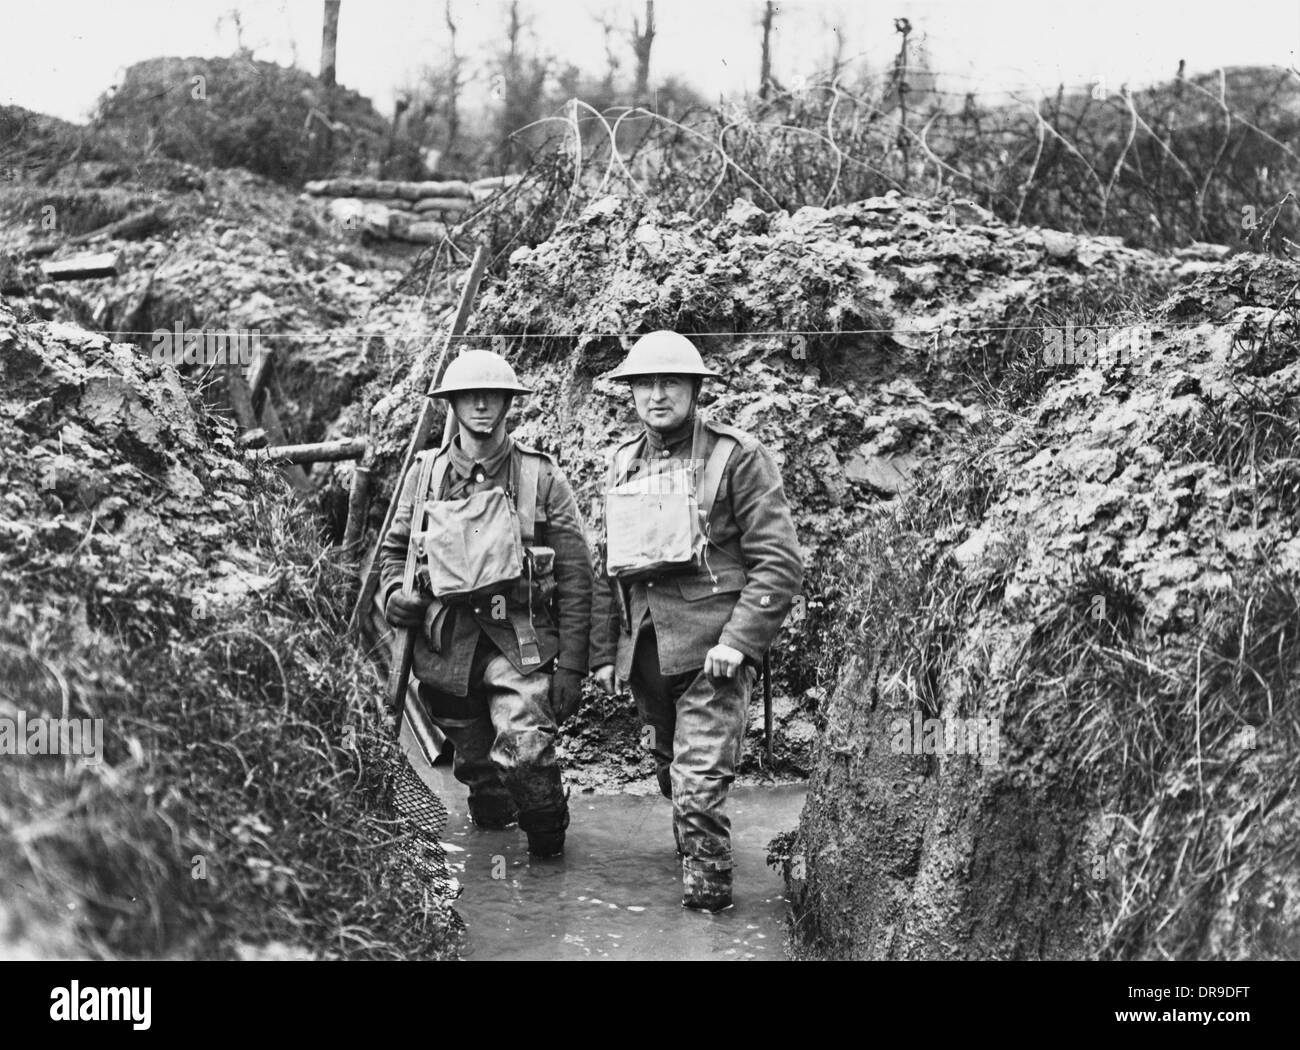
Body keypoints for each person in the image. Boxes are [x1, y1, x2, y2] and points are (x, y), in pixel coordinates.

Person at [590, 331, 803, 910]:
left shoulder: (737, 457)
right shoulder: (622, 461)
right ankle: (692, 849)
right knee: (673, 776)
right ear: (631, 393)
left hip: (714, 655)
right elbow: (611, 566)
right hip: (650, 657)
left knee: (699, 786)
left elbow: (778, 563)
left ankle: (709, 911)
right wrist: (607, 653)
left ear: (694, 389)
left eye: (670, 383)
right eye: (644, 385)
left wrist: (739, 641)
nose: (657, 395)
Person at [381, 349, 592, 857]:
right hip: (446, 650)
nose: (480, 404)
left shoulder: (541, 476)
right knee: (482, 779)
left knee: (525, 752)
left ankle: (547, 850)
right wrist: (395, 596)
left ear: (507, 403)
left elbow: (577, 574)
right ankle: (495, 859)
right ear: (451, 403)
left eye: (491, 395)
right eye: (468, 395)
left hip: (517, 644)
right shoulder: (424, 474)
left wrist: (575, 668)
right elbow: (393, 553)